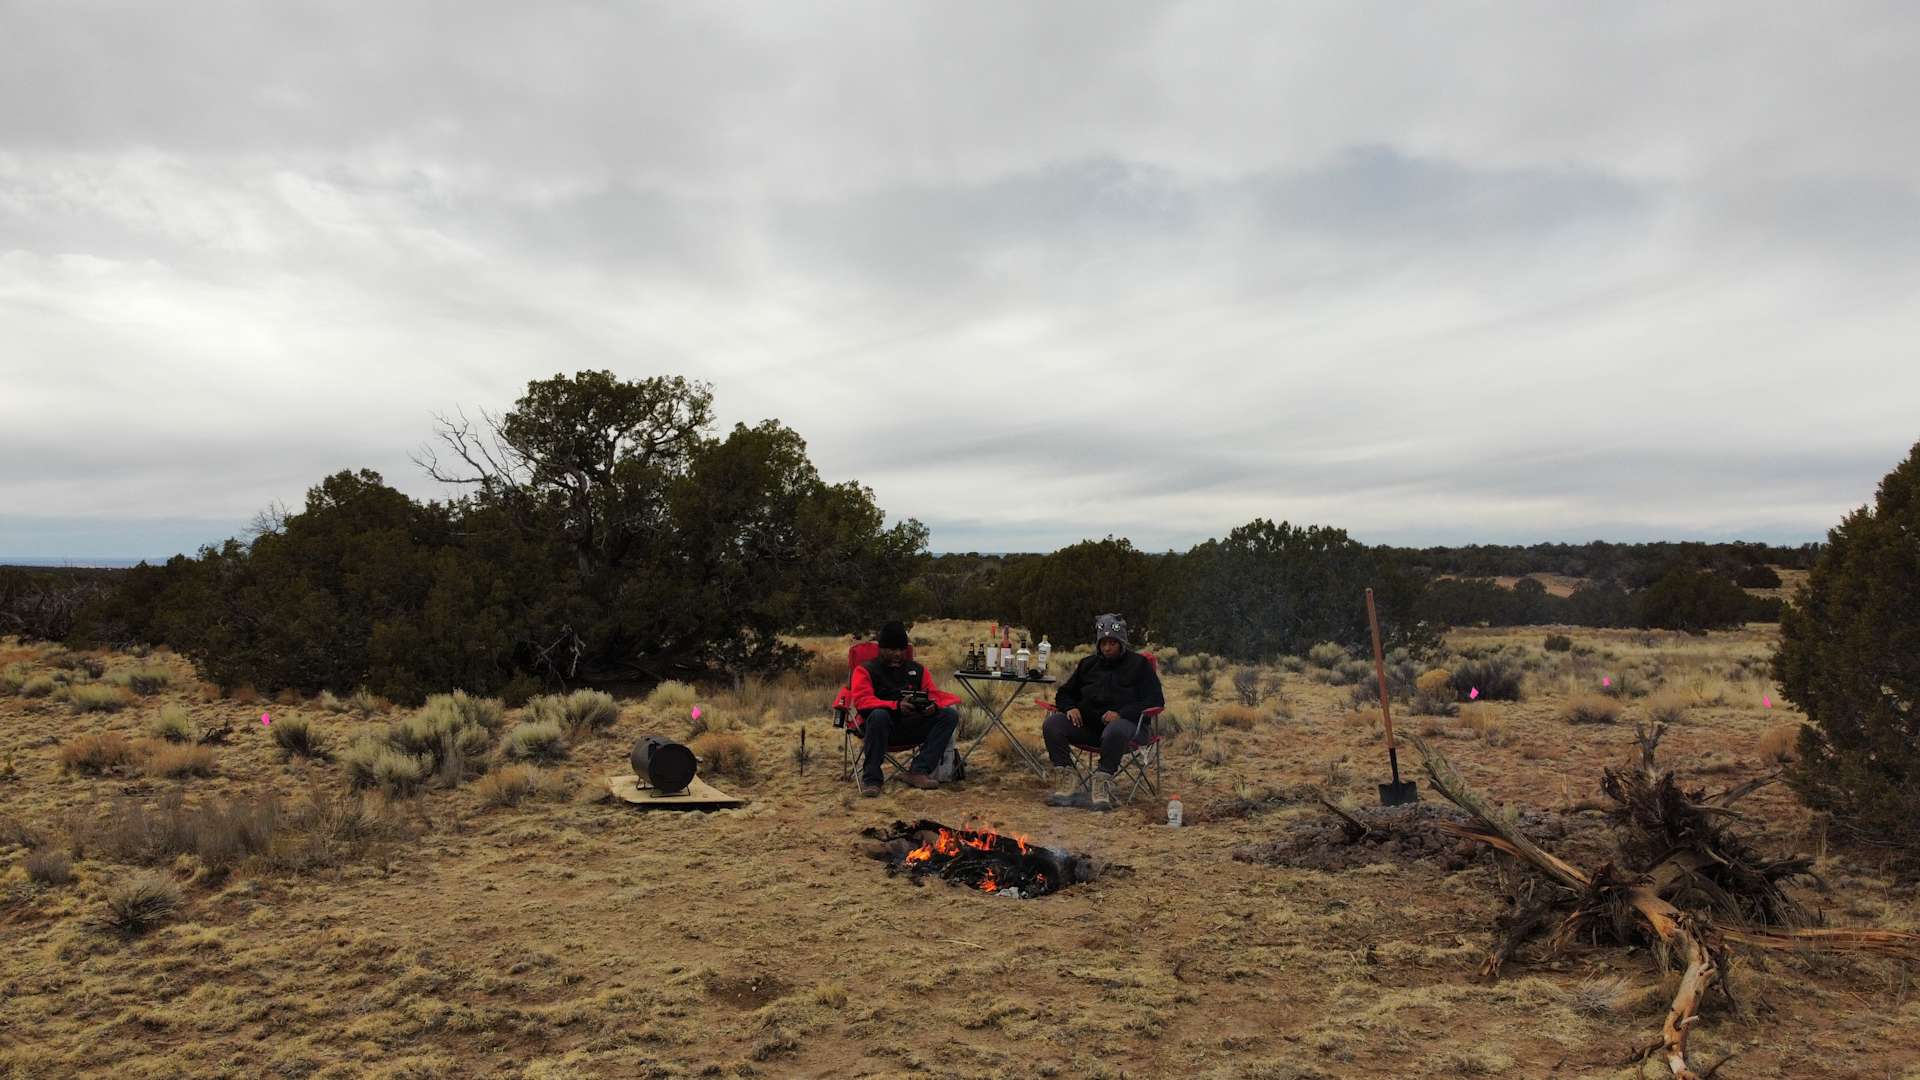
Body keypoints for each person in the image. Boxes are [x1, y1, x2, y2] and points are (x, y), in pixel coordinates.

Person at [1042, 614, 1164, 811]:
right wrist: (1070, 707)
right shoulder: (1088, 664)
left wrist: (1122, 713)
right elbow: (1064, 693)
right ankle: (1068, 782)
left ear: (1122, 642)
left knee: (1114, 729)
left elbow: (1155, 700)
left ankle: (1101, 785)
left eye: (1112, 643)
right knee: (1053, 724)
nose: (1107, 648)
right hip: (1090, 728)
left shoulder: (1139, 665)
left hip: (1129, 728)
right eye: (1103, 643)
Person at [849, 620, 963, 797]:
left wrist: (932, 706)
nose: (898, 654)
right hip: (881, 729)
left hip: (913, 726)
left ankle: (919, 771)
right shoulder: (865, 670)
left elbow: (933, 694)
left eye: (901, 650)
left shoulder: (918, 670)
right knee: (879, 715)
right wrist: (895, 706)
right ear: (881, 648)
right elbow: (863, 702)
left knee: (949, 715)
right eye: (892, 650)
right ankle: (872, 780)